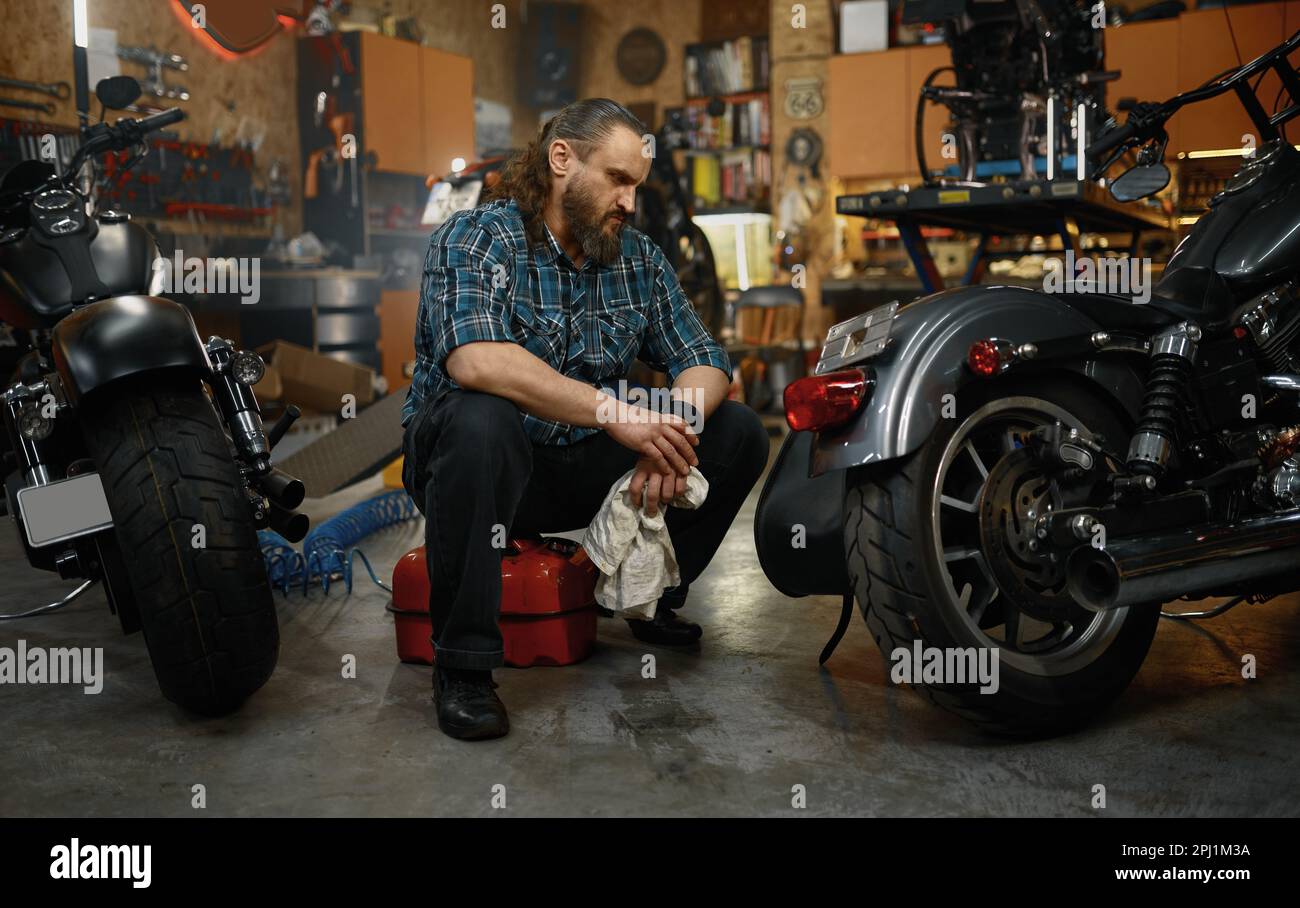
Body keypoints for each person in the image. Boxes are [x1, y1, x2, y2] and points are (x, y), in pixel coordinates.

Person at [401, 98, 769, 741]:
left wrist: (672, 432)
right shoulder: (476, 237)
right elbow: (476, 361)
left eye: (637, 186)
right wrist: (617, 413)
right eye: (618, 180)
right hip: (481, 465)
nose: (630, 202)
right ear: (561, 160)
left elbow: (707, 361)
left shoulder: (640, 260)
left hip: (580, 461)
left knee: (736, 430)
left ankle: (648, 597)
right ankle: (463, 667)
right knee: (481, 417)